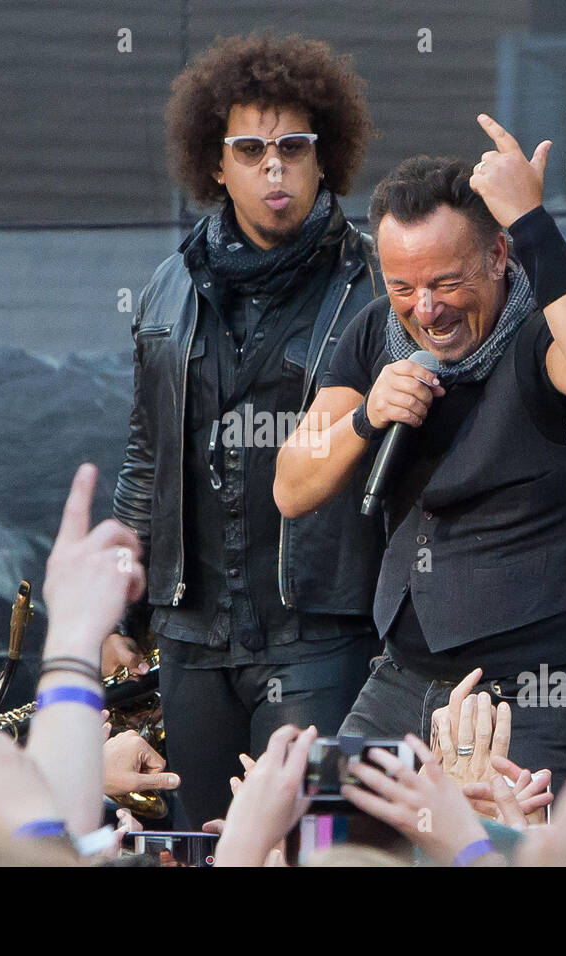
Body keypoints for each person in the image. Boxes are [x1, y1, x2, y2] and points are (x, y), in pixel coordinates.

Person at [274, 116, 566, 786]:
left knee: (501, 856)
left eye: (445, 282)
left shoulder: (540, 337)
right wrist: (365, 418)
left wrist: (530, 217)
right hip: (403, 678)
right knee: (332, 842)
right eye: (403, 286)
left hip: (527, 692)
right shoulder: (375, 336)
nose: (426, 309)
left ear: (499, 257)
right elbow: (292, 486)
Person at [110, 32, 385, 827]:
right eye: (252, 147)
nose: (275, 166)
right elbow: (146, 457)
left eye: (294, 146)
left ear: (324, 157)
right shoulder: (169, 286)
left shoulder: (373, 282)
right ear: (215, 163)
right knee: (203, 837)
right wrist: (122, 610)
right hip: (193, 630)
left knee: (304, 839)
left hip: (319, 625)